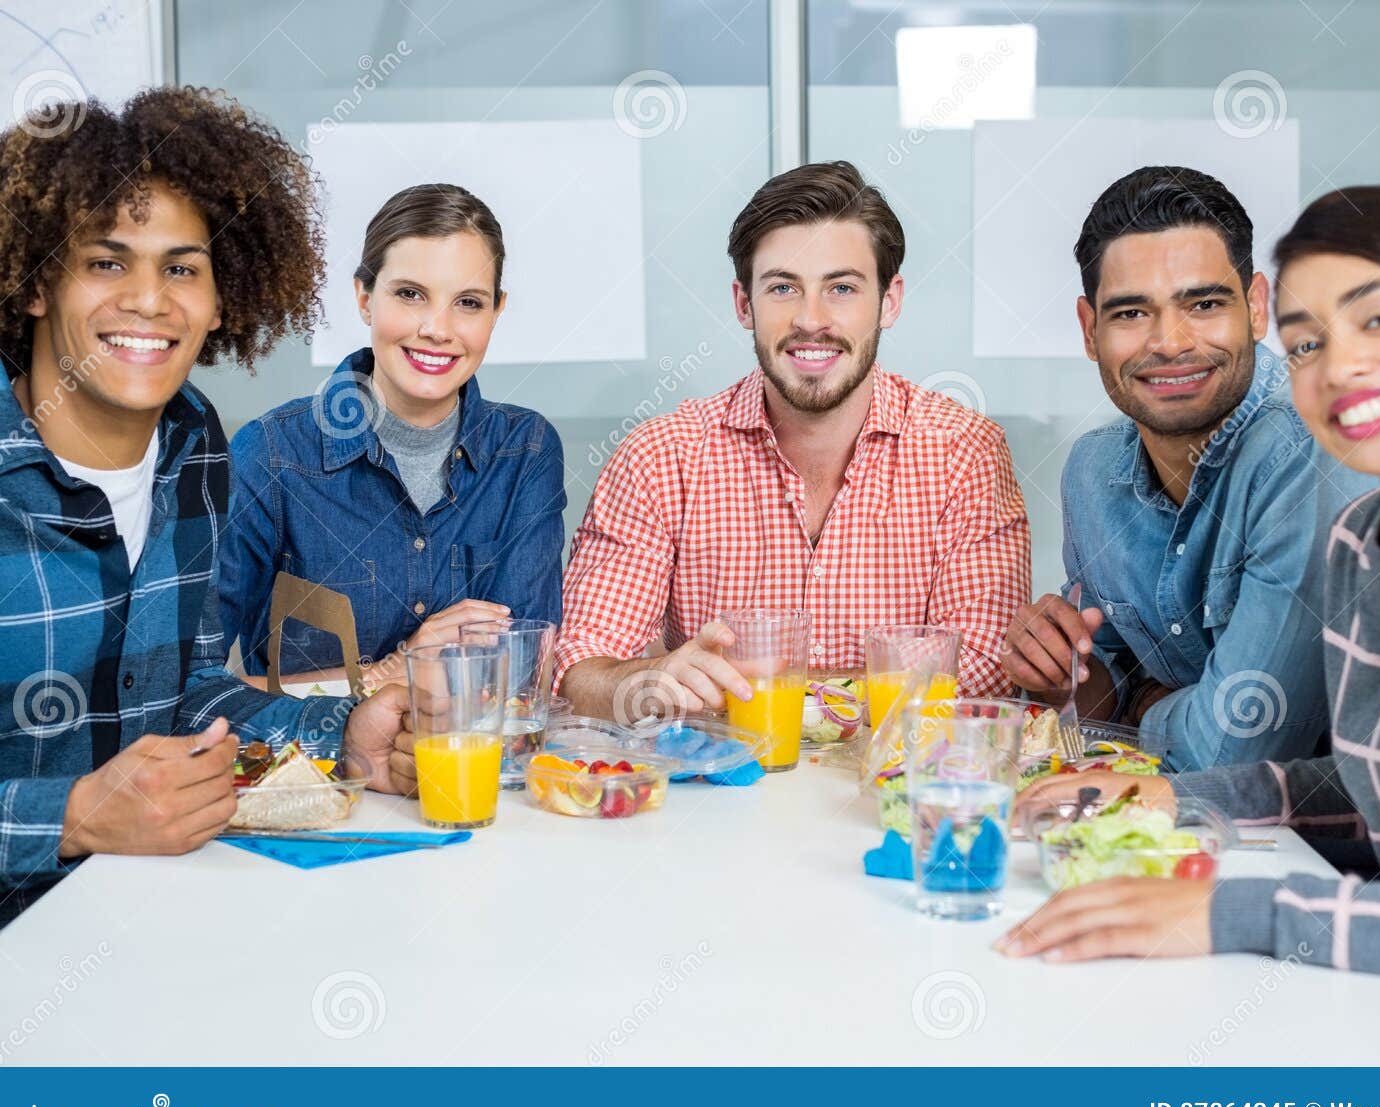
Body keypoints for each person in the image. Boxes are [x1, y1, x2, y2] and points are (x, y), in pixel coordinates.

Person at [997, 186, 1380, 1066]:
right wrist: (1177, 796)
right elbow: (1373, 791)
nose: (1341, 369)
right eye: (1311, 341)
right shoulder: (1367, 540)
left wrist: (1240, 913)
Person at [0, 89, 413, 927]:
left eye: (181, 267)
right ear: (39, 283)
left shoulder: (197, 447)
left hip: (143, 928)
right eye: (106, 262)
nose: (150, 300)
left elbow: (183, 690)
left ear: (221, 303)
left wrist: (345, 731)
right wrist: (71, 815)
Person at [555, 161, 1030, 721]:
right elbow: (580, 667)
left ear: (890, 301)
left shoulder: (963, 452)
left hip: (894, 793)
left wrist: (786, 697)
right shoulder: (661, 458)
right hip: (722, 793)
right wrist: (649, 676)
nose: (811, 319)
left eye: (843, 288)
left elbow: (984, 672)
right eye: (783, 287)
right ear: (743, 304)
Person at [1002, 167, 1369, 773]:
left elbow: (1234, 750)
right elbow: (1097, 692)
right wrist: (1056, 677)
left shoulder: (1313, 451)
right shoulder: (1092, 473)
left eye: (1203, 304)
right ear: (1090, 331)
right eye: (1130, 314)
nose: (1170, 342)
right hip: (1175, 834)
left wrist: (1135, 712)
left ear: (1255, 308)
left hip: (1347, 848)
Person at [220, 184, 566, 692]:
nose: (437, 328)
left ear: (497, 310)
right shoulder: (270, 456)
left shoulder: (527, 451)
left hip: (471, 766)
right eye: (410, 294)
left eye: (468, 302)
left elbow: (518, 679)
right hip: (315, 768)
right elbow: (199, 684)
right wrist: (397, 669)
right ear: (364, 297)